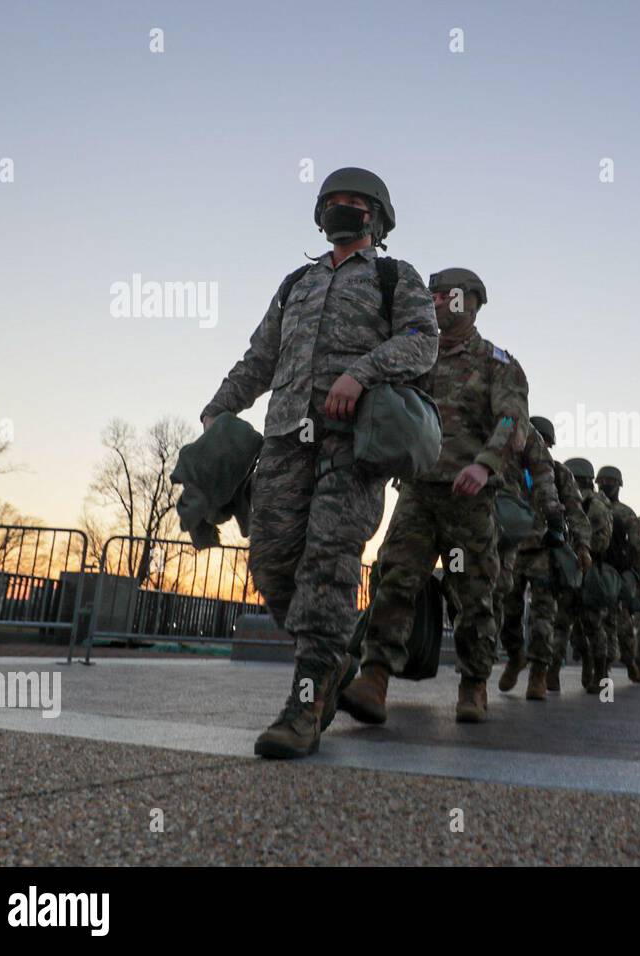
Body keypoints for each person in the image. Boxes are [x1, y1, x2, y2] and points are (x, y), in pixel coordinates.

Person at [199, 167, 438, 759]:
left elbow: (420, 339)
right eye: (334, 201)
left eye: (356, 203)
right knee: (272, 566)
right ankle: (333, 663)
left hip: (352, 445)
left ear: (377, 218)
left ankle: (304, 706)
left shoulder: (393, 277)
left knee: (328, 569)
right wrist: (219, 409)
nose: (343, 210)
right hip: (284, 441)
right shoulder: (295, 284)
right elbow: (261, 355)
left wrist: (361, 373)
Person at [339, 267, 527, 724]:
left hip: (470, 498)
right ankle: (375, 677)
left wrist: (484, 465)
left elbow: (511, 421)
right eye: (434, 296)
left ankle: (473, 683)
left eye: (447, 296)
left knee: (474, 595)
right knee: (396, 577)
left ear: (472, 301)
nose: (438, 302)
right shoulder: (416, 355)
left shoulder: (498, 364)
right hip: (419, 492)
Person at [495, 415, 589, 699]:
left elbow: (574, 510)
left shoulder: (558, 474)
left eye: (544, 441)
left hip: (545, 552)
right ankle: (515, 656)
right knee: (507, 610)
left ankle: (538, 671)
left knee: (542, 615)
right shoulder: (507, 465)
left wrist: (582, 545)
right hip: (510, 548)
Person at [555, 458, 615, 691]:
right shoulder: (600, 504)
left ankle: (549, 674)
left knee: (561, 622)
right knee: (594, 625)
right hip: (590, 570)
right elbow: (603, 541)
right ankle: (600, 675)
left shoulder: (563, 499)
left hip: (566, 568)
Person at [596, 465, 640, 682]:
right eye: (603, 481)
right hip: (593, 570)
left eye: (610, 481)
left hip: (618, 575)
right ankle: (598, 669)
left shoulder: (626, 513)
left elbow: (638, 547)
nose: (606, 485)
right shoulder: (590, 505)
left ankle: (630, 663)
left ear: (619, 485)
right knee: (593, 622)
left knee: (622, 625)